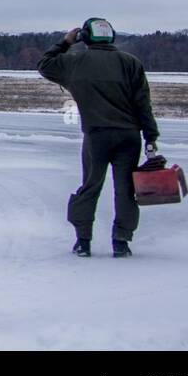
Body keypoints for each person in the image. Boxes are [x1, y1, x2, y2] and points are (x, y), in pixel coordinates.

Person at [38, 18, 160, 258]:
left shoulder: (75, 62)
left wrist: (64, 42)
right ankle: (121, 242)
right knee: (125, 190)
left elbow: (45, 64)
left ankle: (83, 241)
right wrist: (151, 137)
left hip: (97, 136)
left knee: (90, 186)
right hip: (129, 136)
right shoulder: (131, 63)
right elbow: (143, 104)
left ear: (85, 37)